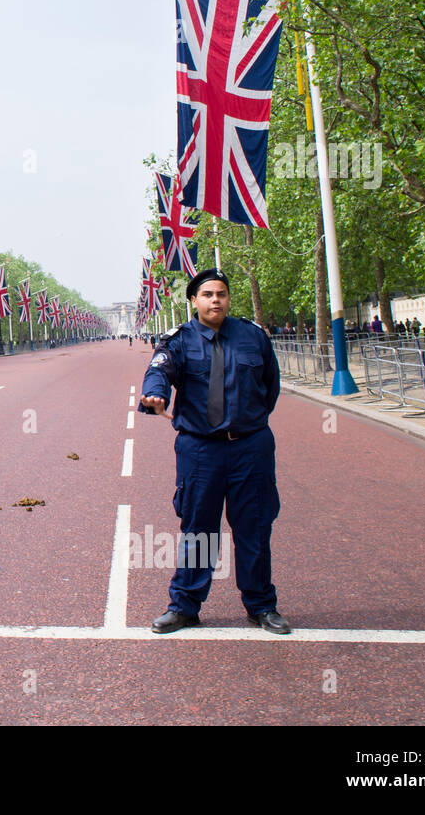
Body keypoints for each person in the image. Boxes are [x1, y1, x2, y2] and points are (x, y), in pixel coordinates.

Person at [138, 268, 289, 635]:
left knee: (253, 528)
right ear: (194, 300)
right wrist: (156, 394)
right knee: (199, 530)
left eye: (221, 293)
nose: (215, 300)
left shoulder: (253, 336)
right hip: (201, 450)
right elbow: (158, 371)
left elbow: (271, 386)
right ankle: (185, 606)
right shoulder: (178, 340)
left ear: (227, 298)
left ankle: (261, 606)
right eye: (207, 294)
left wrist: (248, 423)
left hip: (250, 448)